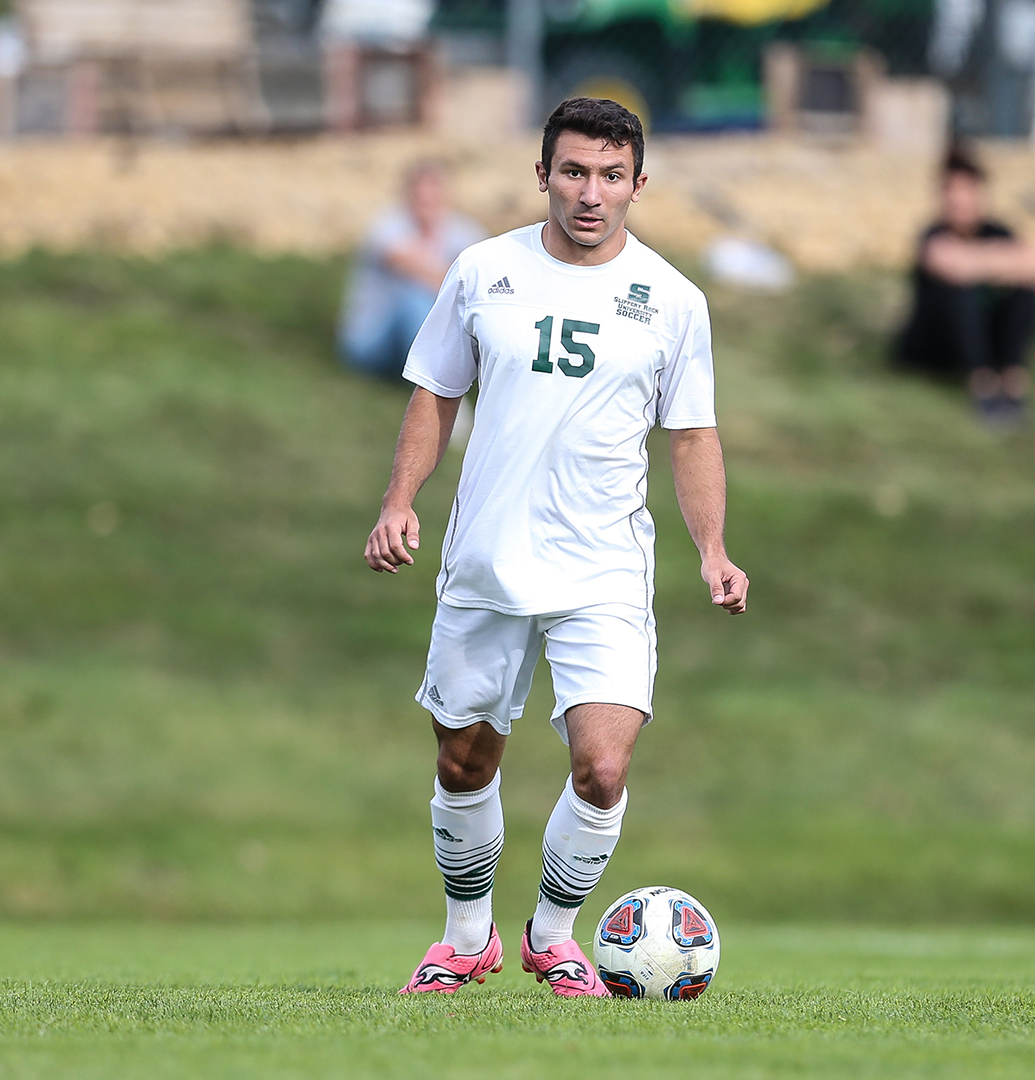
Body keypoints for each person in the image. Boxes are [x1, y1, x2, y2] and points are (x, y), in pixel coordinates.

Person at [364, 97, 747, 997]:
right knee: (464, 758)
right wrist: (398, 503)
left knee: (603, 766)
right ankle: (467, 937)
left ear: (638, 185)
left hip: (603, 565)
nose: (591, 193)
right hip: (488, 556)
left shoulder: (674, 301)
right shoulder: (481, 270)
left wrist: (714, 550)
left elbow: (692, 435)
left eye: (611, 176)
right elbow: (433, 392)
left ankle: (551, 933)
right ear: (543, 174)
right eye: (573, 171)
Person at [896, 146, 1035, 425]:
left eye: (965, 189)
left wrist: (975, 261)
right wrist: (1003, 262)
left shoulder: (999, 230)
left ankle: (1013, 384)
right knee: (958, 290)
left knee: (1026, 289)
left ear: (981, 193)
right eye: (950, 190)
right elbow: (948, 264)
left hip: (986, 333)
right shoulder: (931, 234)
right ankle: (983, 389)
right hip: (933, 345)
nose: (958, 199)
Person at [337, 160, 486, 380]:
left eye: (432, 196)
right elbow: (409, 266)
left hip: (429, 334)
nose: (426, 203)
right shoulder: (387, 225)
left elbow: (484, 281)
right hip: (372, 338)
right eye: (420, 197)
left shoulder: (464, 231)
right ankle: (439, 385)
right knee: (415, 298)